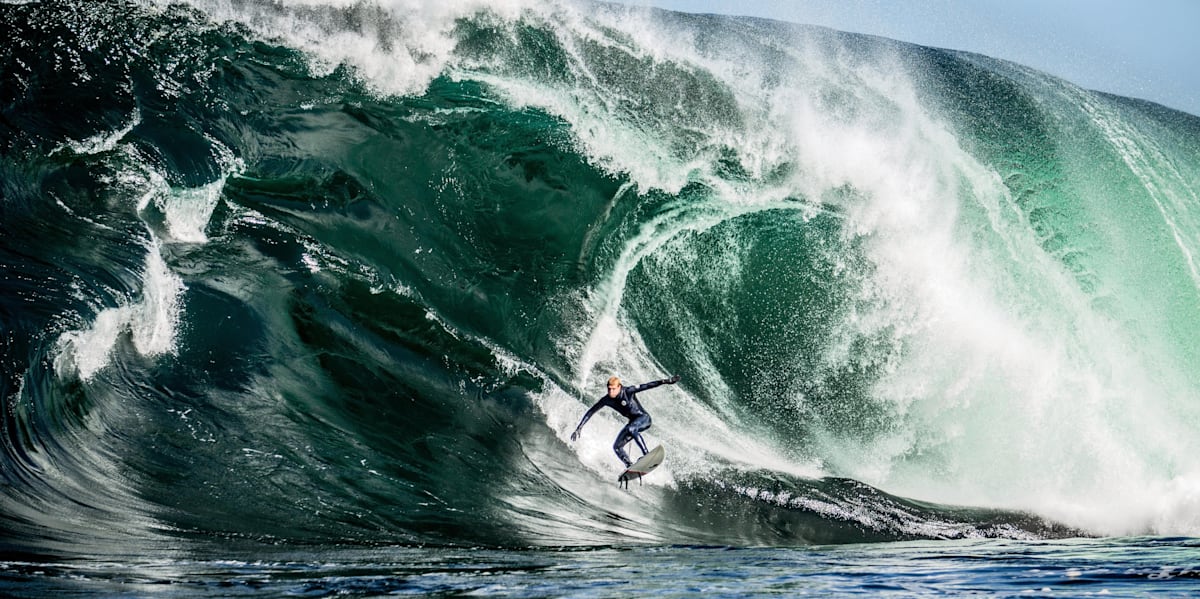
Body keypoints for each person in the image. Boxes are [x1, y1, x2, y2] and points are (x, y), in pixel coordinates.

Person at [570, 374, 681, 467]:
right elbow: (591, 411)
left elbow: (647, 385)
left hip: (644, 419)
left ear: (619, 387)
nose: (610, 392)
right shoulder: (606, 400)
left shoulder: (628, 391)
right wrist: (579, 427)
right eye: (609, 389)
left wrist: (666, 381)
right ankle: (630, 465)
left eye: (613, 389)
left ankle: (647, 455)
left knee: (631, 428)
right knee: (617, 447)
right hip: (632, 424)